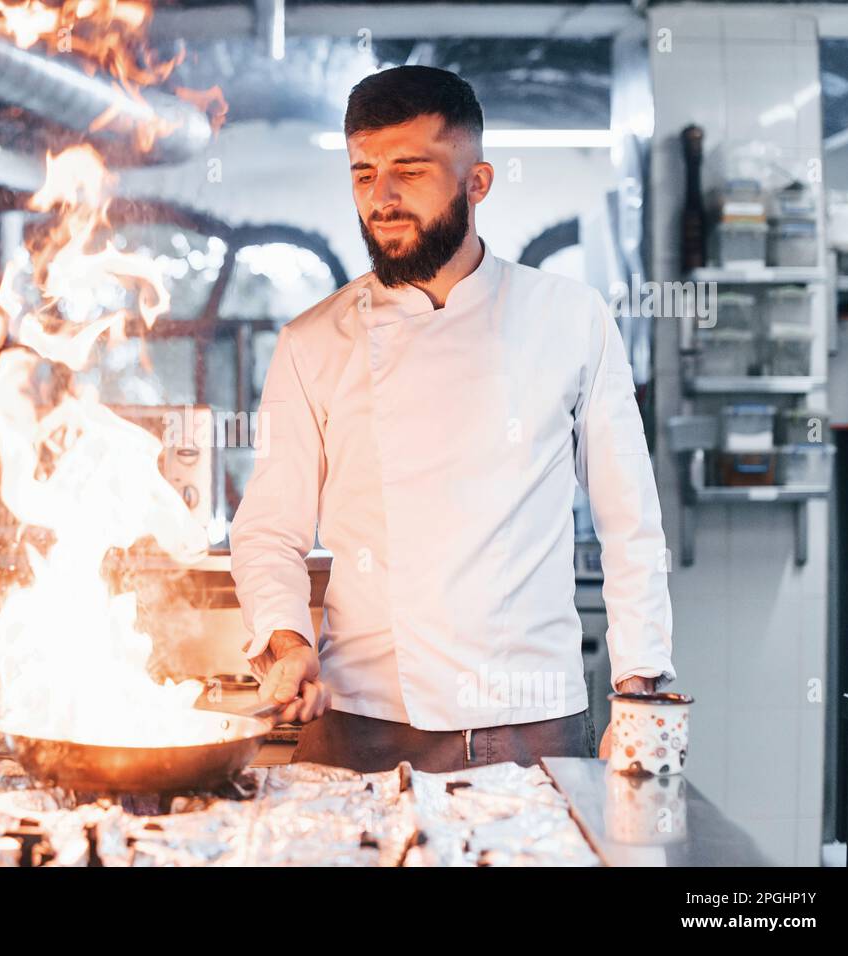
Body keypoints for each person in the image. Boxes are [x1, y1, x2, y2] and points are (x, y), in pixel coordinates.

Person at [228, 66, 674, 773]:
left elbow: (629, 522)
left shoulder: (570, 318)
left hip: (531, 721)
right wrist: (287, 641)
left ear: (478, 182)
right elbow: (267, 533)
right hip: (361, 720)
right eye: (363, 173)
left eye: (410, 170)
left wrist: (641, 688)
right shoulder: (312, 341)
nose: (382, 198)